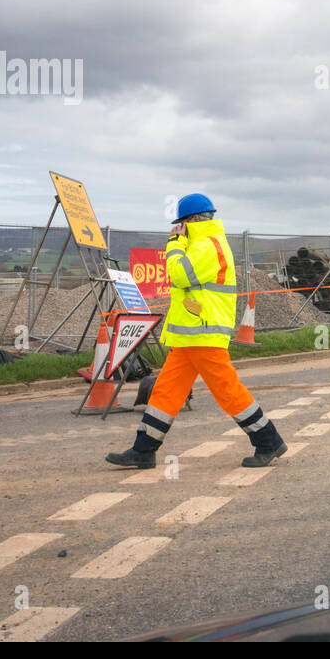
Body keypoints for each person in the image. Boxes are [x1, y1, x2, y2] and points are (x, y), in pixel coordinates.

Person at [107, 193, 287, 469]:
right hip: (190, 336)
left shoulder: (207, 245)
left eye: (181, 224)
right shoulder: (202, 244)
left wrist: (175, 243)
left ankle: (268, 440)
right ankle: (143, 450)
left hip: (203, 334)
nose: (178, 229)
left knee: (228, 391)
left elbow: (179, 275)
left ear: (191, 220)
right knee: (165, 393)